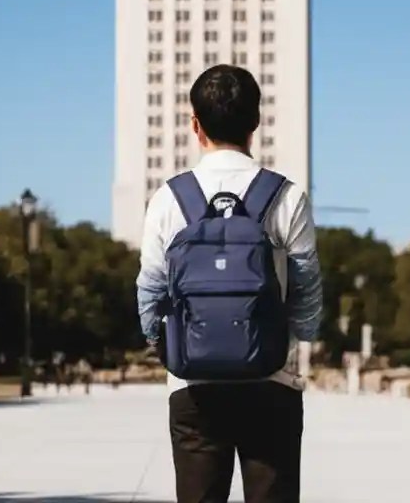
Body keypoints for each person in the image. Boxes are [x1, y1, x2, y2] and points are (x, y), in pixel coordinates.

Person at [136, 64, 323, 503]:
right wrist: (301, 339)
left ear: (194, 124)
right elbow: (307, 285)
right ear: (255, 122)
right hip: (271, 379)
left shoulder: (169, 198)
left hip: (193, 385)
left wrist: (159, 342)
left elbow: (150, 289)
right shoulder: (287, 196)